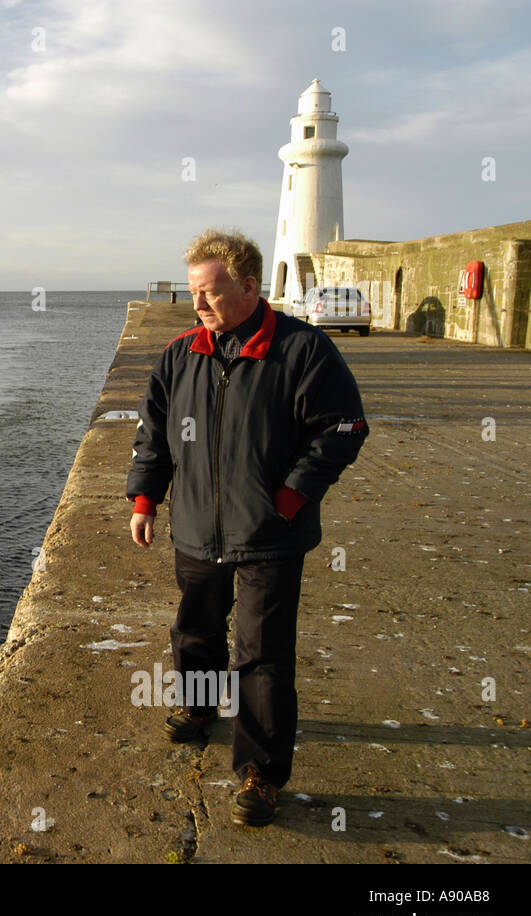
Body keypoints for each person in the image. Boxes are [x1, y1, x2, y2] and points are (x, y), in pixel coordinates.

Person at [125, 229, 367, 827]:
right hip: (197, 529)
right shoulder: (181, 353)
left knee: (262, 655)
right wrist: (144, 499)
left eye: (208, 293)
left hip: (269, 534)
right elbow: (153, 434)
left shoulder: (303, 351)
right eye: (192, 293)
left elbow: (344, 428)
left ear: (250, 286)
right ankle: (200, 707)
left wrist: (288, 497)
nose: (198, 305)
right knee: (197, 628)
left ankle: (260, 772)